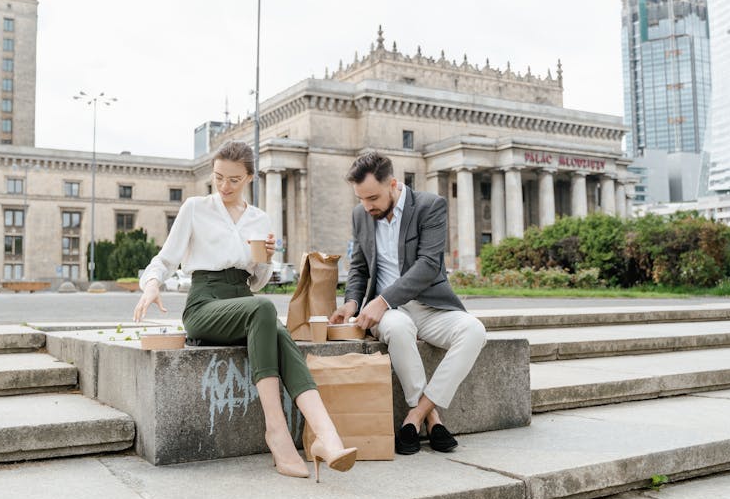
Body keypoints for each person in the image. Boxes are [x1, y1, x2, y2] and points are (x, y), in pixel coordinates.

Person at [133, 140, 356, 481]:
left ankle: (328, 437)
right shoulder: (195, 208)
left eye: (234, 180)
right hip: (205, 304)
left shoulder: (260, 218)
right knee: (264, 312)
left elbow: (257, 282)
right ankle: (277, 433)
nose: (224, 186)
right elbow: (165, 259)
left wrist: (264, 258)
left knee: (277, 330)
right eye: (219, 177)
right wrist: (151, 284)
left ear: (250, 177)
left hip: (244, 298)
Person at [329, 150, 487, 455]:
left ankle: (416, 414)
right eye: (361, 198)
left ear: (393, 184)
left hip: (430, 305)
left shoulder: (429, 206)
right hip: (392, 314)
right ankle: (433, 420)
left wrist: (383, 300)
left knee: (474, 331)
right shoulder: (360, 215)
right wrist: (351, 303)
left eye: (372, 197)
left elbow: (429, 265)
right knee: (399, 329)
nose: (366, 206)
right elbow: (360, 268)